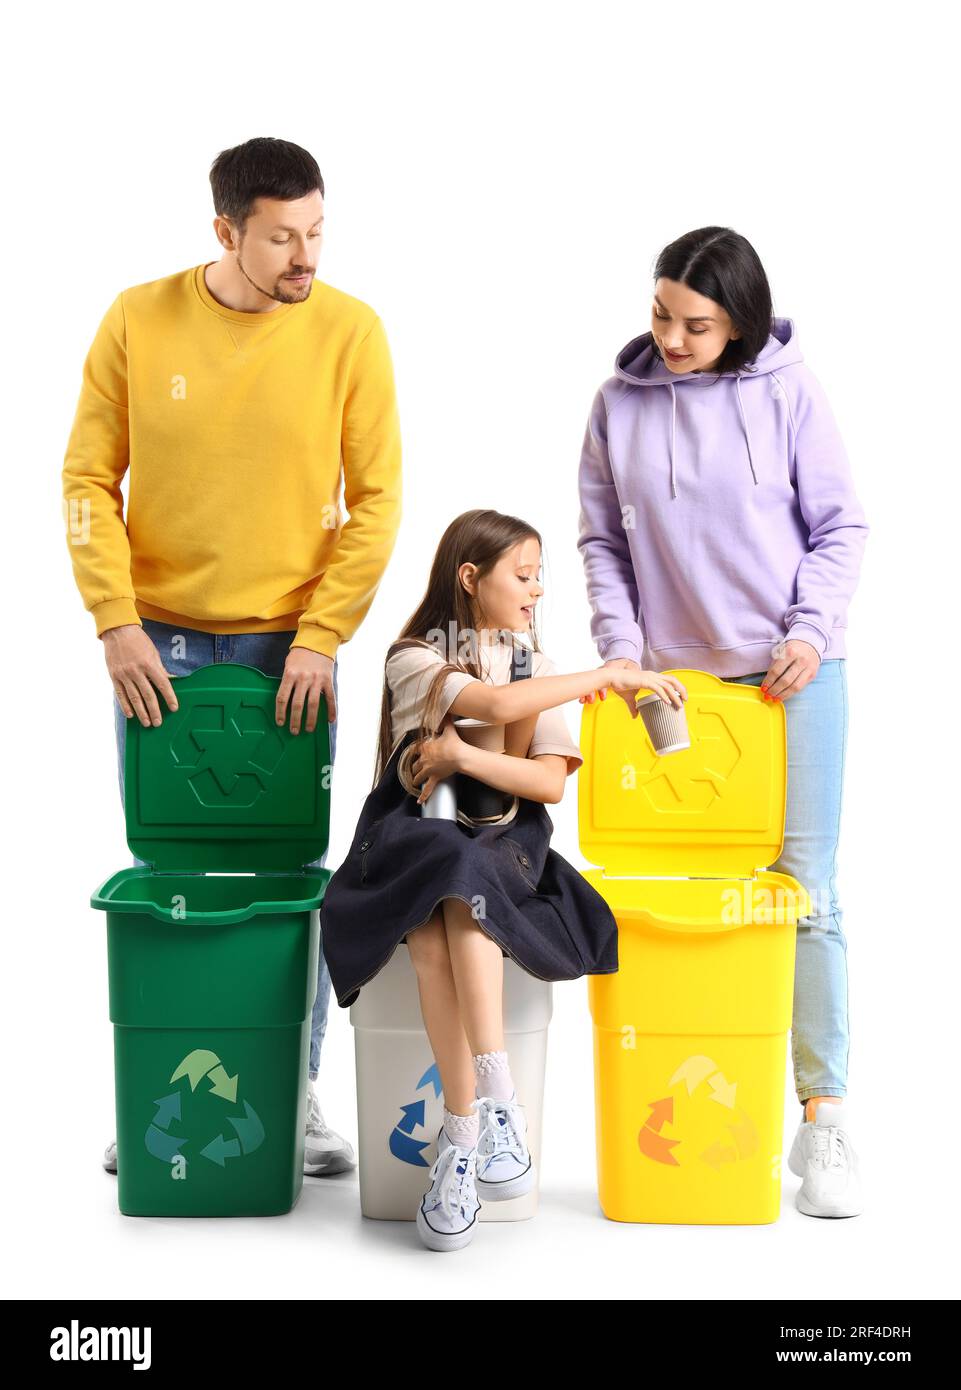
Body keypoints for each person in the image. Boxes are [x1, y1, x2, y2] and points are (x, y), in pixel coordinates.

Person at [61, 136, 402, 1178]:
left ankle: (289, 1095)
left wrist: (321, 636)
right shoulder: (136, 317)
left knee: (289, 878)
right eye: (281, 238)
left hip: (284, 650)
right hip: (155, 642)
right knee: (171, 873)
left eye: (315, 233)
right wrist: (113, 620)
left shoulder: (349, 331)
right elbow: (86, 484)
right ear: (225, 232)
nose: (306, 256)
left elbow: (377, 501)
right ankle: (165, 1085)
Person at [576, 225, 869, 1218]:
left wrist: (808, 628)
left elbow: (840, 525)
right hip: (673, 693)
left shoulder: (787, 391)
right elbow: (599, 540)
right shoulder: (618, 403)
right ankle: (692, 1091)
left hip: (792, 677)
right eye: (660, 314)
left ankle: (821, 1123)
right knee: (688, 888)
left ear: (739, 321)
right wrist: (621, 648)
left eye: (696, 324)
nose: (671, 336)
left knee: (804, 891)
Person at [319, 509, 686, 1250]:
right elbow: (490, 706)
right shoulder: (415, 657)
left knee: (451, 895)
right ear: (469, 578)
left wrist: (463, 761)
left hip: (499, 844)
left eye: (539, 575)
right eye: (522, 575)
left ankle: (463, 1136)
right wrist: (609, 674)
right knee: (444, 874)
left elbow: (547, 784)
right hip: (407, 838)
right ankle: (497, 1106)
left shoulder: (539, 671)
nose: (536, 590)